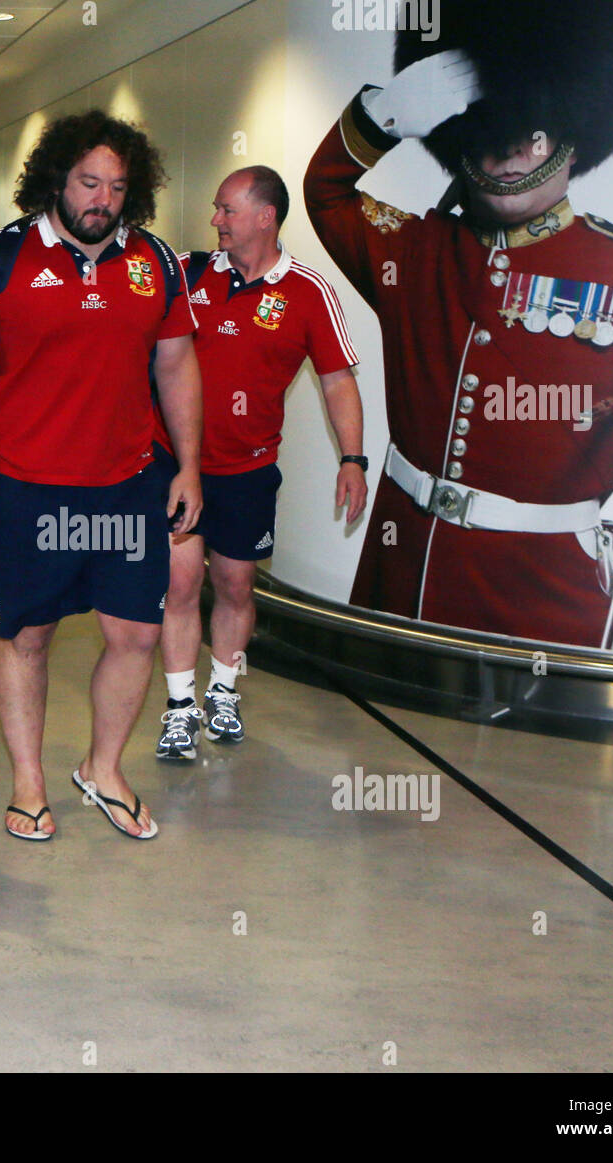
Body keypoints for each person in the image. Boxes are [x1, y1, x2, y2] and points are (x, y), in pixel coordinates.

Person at [304, 0, 613, 659]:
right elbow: (326, 191)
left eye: (536, 125)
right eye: (493, 123)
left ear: (577, 127)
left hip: (540, 614)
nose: (510, 147)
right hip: (398, 586)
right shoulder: (415, 250)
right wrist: (388, 112)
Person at [0, 109, 202, 842]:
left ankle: (103, 767)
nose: (101, 199)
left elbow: (177, 367)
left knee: (136, 635)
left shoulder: (156, 263)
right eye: (88, 182)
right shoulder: (1, 255)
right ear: (57, 179)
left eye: (116, 186)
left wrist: (191, 467)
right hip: (27, 485)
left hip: (126, 483)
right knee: (28, 638)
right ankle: (28, 784)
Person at [153, 166, 366, 761]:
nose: (215, 219)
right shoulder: (190, 274)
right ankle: (178, 706)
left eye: (226, 209)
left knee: (235, 584)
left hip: (247, 469)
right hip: (178, 464)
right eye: (217, 210)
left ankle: (223, 689)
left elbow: (338, 383)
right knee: (180, 581)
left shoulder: (306, 291)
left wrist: (353, 458)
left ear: (265, 216)